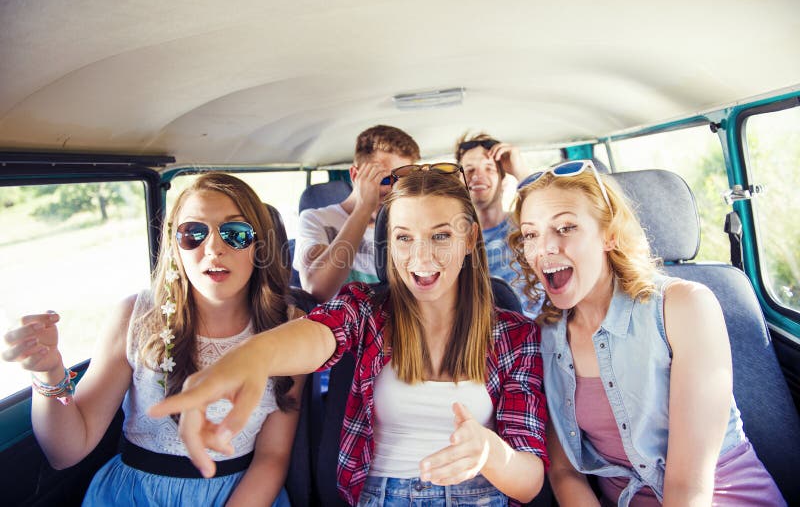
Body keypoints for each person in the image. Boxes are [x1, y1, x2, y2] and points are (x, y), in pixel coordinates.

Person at [150, 166, 549, 506]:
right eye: (404, 237)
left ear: (470, 239)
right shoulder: (365, 310)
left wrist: (491, 453)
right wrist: (251, 357)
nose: (421, 256)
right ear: (387, 245)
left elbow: (529, 482)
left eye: (441, 236)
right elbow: (316, 336)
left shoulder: (515, 335)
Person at [2, 173, 305, 507]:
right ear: (175, 247)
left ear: (258, 243)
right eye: (193, 234)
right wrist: (49, 374)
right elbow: (66, 452)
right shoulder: (136, 315)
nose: (215, 248)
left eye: (235, 234)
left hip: (241, 496)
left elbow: (273, 456)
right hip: (133, 496)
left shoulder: (288, 328)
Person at [508, 160, 785, 506]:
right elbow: (565, 472)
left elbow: (689, 487)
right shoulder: (541, 338)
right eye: (531, 234)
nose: (544, 247)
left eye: (565, 228)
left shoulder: (685, 307)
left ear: (609, 235)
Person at [294, 124, 420, 303]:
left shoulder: (405, 225)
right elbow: (317, 289)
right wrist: (364, 208)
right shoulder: (316, 219)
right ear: (355, 175)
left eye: (402, 180)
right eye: (384, 179)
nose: (394, 190)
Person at [455, 132, 542, 318]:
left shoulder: (526, 223)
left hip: (545, 333)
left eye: (489, 168)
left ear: (503, 181)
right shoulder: (452, 240)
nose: (477, 176)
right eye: (469, 170)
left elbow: (553, 217)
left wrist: (521, 172)